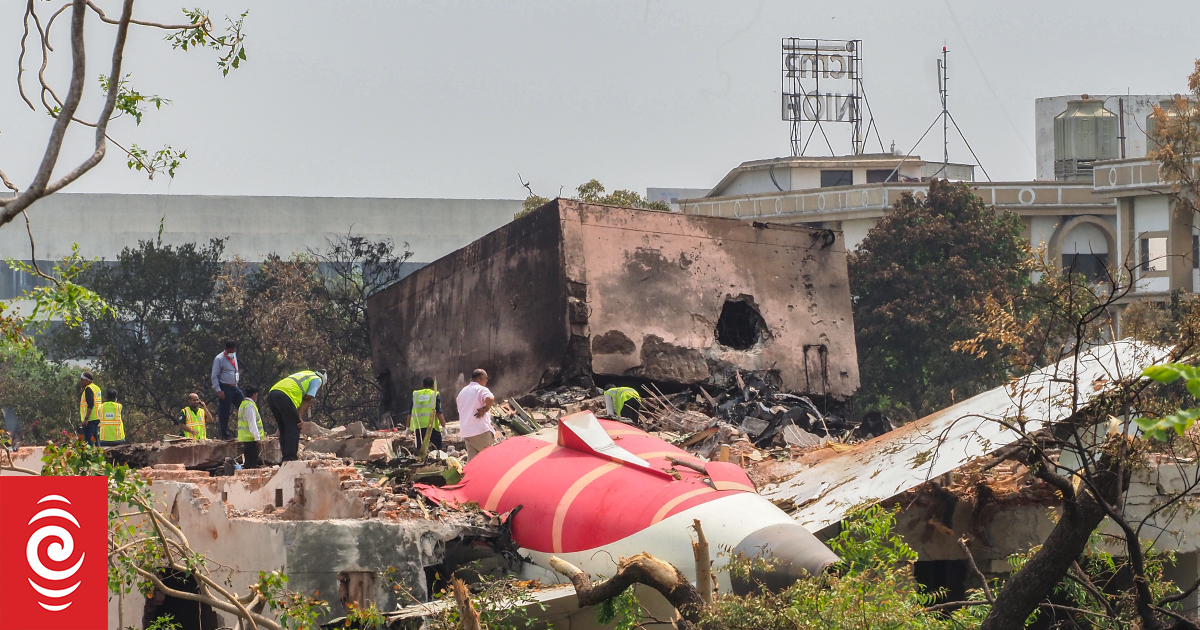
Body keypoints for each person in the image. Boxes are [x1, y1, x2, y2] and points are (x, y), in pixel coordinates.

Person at [267, 370, 325, 462]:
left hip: (272, 394)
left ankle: (285, 458)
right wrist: (299, 417)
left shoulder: (307, 373)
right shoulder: (317, 379)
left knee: (283, 427)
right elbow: (307, 399)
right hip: (285, 396)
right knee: (295, 425)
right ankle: (290, 457)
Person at [456, 369, 496, 461]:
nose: (486, 381)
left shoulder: (462, 392)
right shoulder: (480, 389)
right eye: (486, 379)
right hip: (480, 431)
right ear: (482, 378)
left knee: (473, 462)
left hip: (466, 432)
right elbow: (490, 399)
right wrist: (485, 409)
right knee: (495, 457)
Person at [211, 339, 244, 440]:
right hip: (225, 387)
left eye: (234, 351)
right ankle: (225, 434)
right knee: (225, 411)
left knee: (244, 406)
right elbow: (214, 375)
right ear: (226, 349)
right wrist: (219, 390)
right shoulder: (219, 359)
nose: (232, 353)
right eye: (230, 351)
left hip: (235, 387)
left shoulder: (234, 355)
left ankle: (248, 431)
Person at [404, 377, 444, 454]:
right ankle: (436, 460)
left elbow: (410, 412)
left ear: (422, 385)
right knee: (437, 450)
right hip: (432, 426)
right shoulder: (434, 394)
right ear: (433, 386)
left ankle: (420, 460)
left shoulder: (415, 394)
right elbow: (439, 412)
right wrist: (444, 427)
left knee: (419, 450)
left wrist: (408, 428)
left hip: (418, 426)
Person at [237, 386, 264, 468]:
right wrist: (257, 438)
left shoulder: (243, 404)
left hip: (247, 439)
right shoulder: (250, 406)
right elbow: (252, 424)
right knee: (251, 464)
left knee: (248, 462)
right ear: (254, 394)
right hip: (252, 439)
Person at [79, 372, 102, 446]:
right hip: (96, 417)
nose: (81, 382)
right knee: (95, 440)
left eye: (82, 380)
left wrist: (86, 419)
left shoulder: (88, 389)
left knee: (89, 441)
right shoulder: (97, 388)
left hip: (90, 419)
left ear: (86, 380)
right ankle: (98, 452)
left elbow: (91, 403)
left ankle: (91, 453)